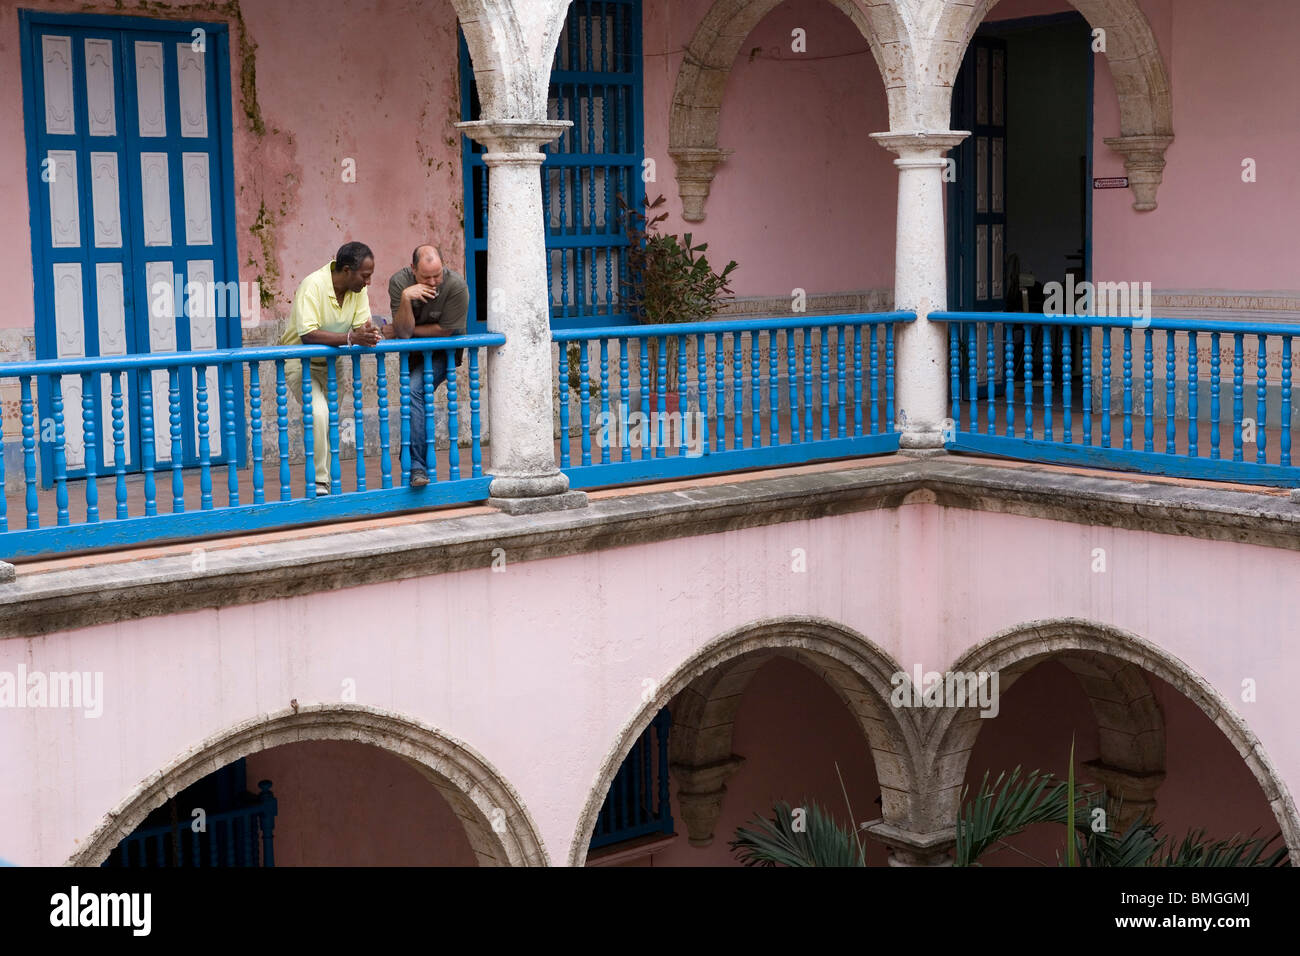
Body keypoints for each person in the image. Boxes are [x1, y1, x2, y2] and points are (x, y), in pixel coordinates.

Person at [282, 242, 383, 497]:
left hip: (332, 363)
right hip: (301, 362)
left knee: (329, 421)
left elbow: (362, 326)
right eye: (365, 276)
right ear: (347, 270)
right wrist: (351, 338)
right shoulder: (312, 285)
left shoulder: (357, 290)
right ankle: (319, 482)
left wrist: (370, 333)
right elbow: (308, 334)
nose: (368, 282)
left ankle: (324, 482)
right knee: (318, 414)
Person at [388, 244, 469, 488]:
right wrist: (405, 299)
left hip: (444, 352)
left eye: (438, 275)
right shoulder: (399, 283)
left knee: (414, 390)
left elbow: (444, 331)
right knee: (412, 396)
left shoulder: (456, 286)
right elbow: (402, 332)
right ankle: (412, 450)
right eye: (426, 277)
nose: (433, 282)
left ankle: (417, 466)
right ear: (413, 270)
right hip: (413, 354)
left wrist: (405, 333)